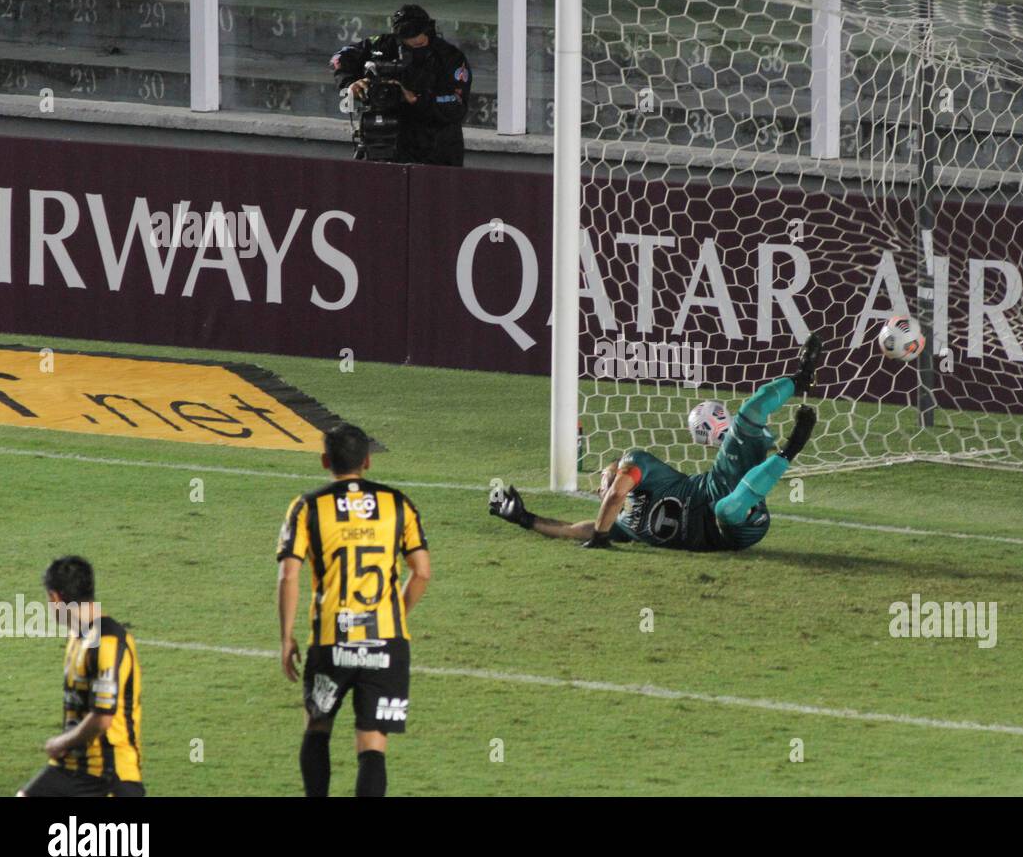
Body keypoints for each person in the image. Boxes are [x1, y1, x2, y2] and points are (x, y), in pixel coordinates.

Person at [490, 335, 823, 552]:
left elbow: (616, 496)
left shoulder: (640, 467)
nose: (602, 486)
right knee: (728, 508)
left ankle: (800, 377)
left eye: (605, 478)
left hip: (718, 482)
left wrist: (601, 535)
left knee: (750, 411)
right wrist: (525, 518)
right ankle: (791, 448)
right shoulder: (626, 524)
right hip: (733, 531)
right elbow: (575, 529)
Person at [277, 423, 432, 797]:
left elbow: (288, 575)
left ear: (325, 461)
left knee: (317, 727)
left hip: (332, 641)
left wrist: (285, 637)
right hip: (387, 642)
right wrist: (395, 616)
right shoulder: (398, 503)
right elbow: (422, 572)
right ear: (367, 461)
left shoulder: (308, 506)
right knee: (373, 745)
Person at [17, 556, 144, 797]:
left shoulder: (107, 641)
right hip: (70, 769)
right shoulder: (79, 638)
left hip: (107, 777)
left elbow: (102, 718)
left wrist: (60, 743)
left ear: (56, 599)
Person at [331, 3, 472, 166]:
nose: (415, 45)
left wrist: (415, 98)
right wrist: (350, 84)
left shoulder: (449, 56)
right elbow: (338, 58)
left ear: (429, 31)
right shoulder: (382, 45)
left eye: (419, 43)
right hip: (384, 138)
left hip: (436, 146)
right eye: (407, 42)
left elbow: (458, 103)